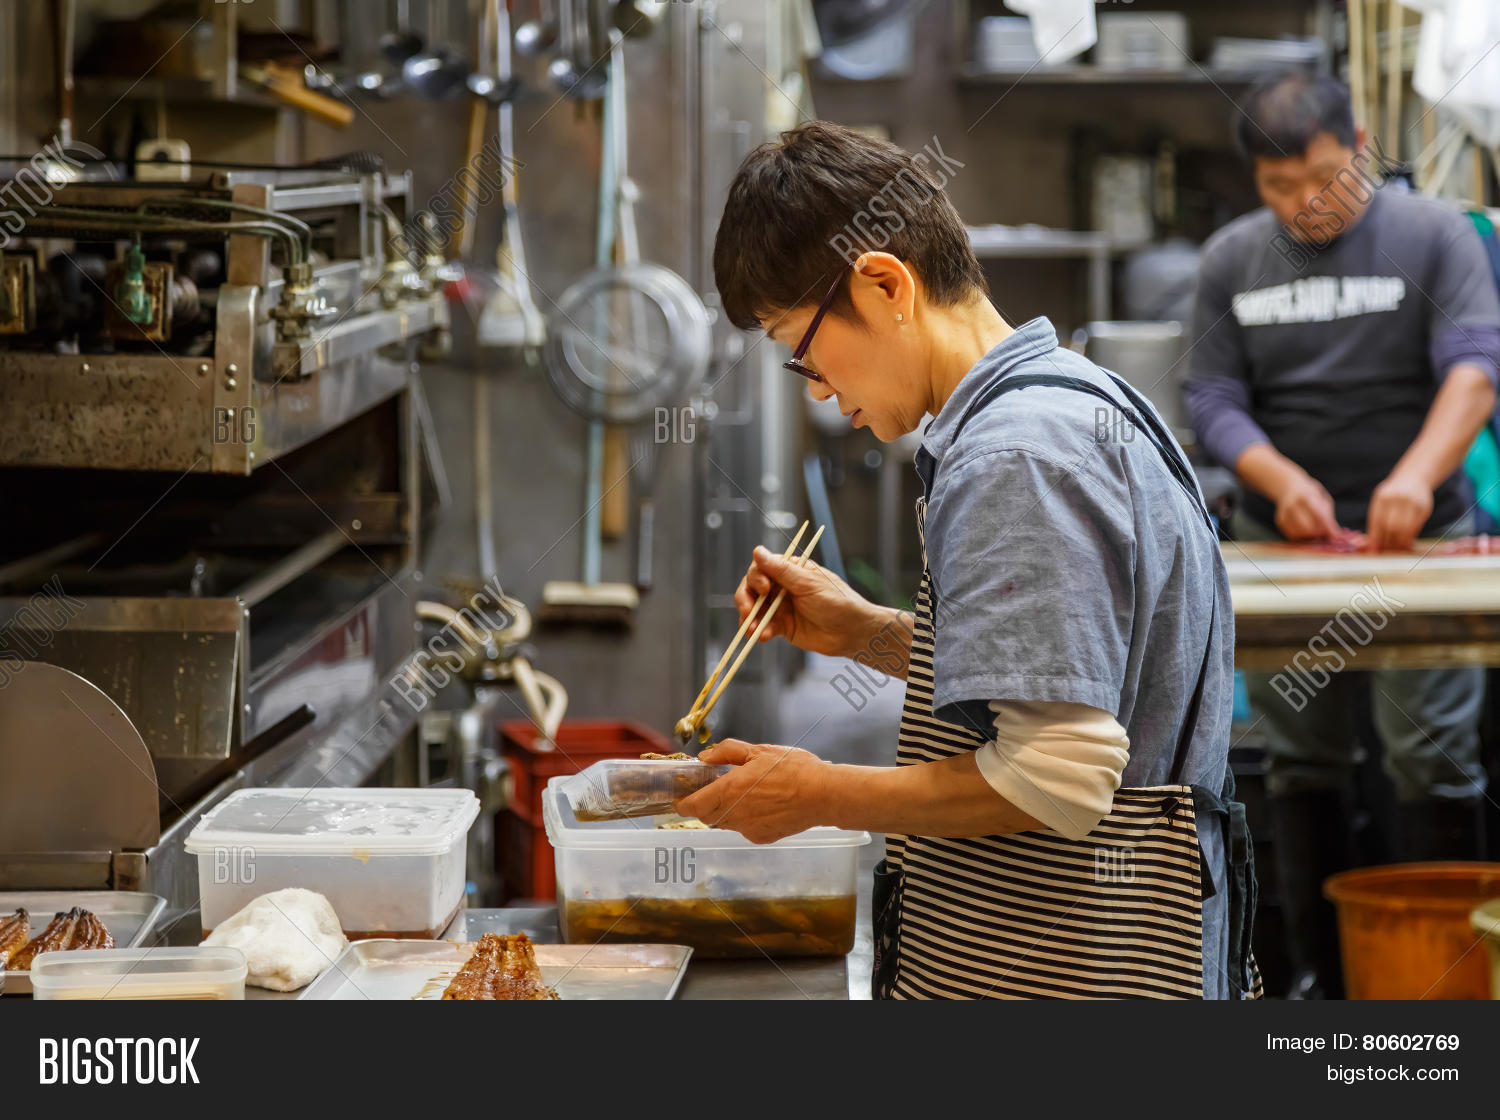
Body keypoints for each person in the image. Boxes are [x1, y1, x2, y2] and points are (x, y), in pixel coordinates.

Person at [676, 121, 1259, 1000]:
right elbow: (1081, 683)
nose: (824, 390)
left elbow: (1055, 778)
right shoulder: (1075, 393)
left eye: (802, 349)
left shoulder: (1012, 455)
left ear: (882, 284)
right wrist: (868, 635)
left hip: (1077, 977)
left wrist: (818, 793)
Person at [1184, 72, 1499, 998]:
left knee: (1432, 753)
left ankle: (1449, 982)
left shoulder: (1433, 235)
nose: (1305, 205)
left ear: (1360, 144)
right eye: (1280, 188)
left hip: (1425, 547)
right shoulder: (1232, 260)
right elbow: (1211, 397)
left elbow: (1477, 367)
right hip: (1288, 550)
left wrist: (1415, 476)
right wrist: (1278, 481)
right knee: (1301, 756)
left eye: (1322, 179)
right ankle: (1321, 982)